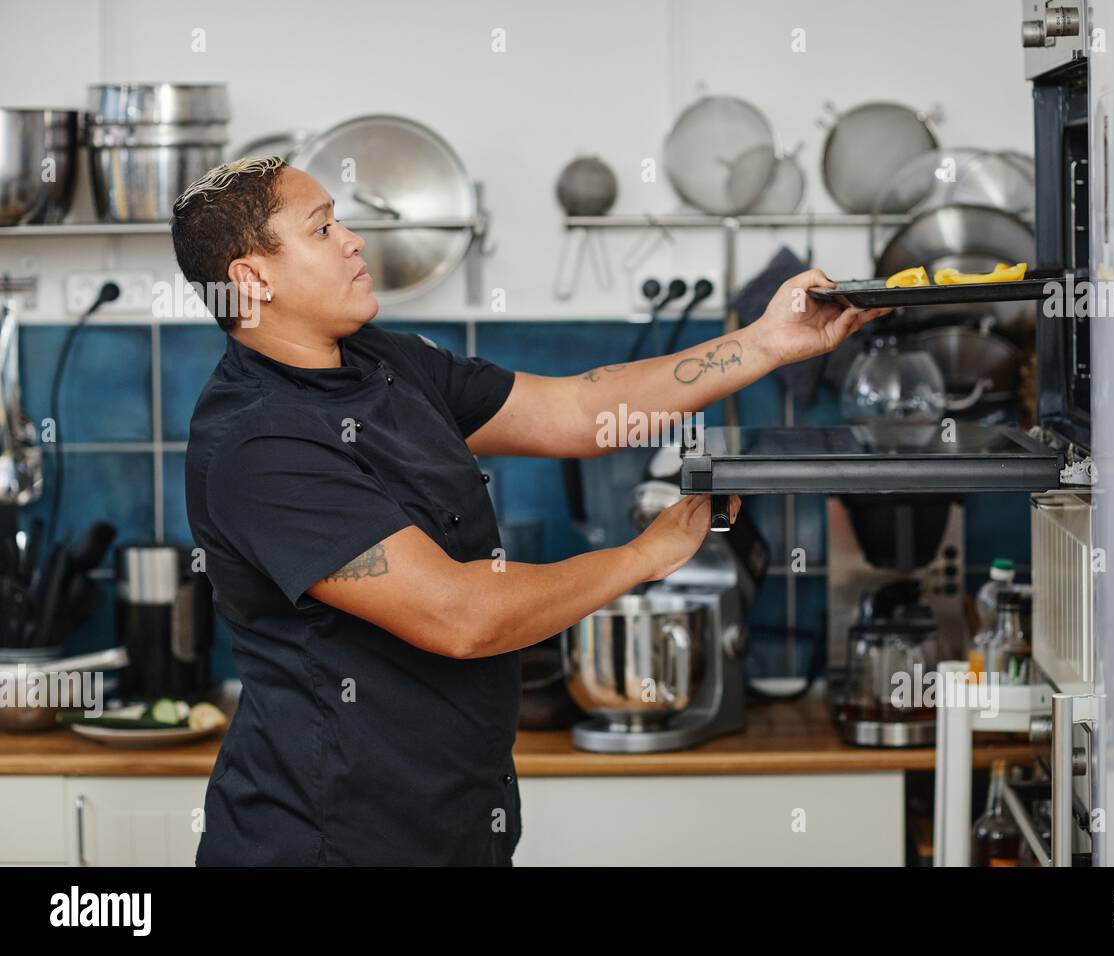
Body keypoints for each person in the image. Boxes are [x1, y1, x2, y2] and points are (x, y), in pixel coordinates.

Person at [170, 155, 886, 865]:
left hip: (458, 823)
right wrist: (643, 556)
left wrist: (765, 343)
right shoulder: (257, 444)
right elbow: (461, 616)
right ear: (251, 279)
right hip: (327, 839)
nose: (354, 239)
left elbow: (577, 411)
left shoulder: (383, 360)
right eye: (323, 228)